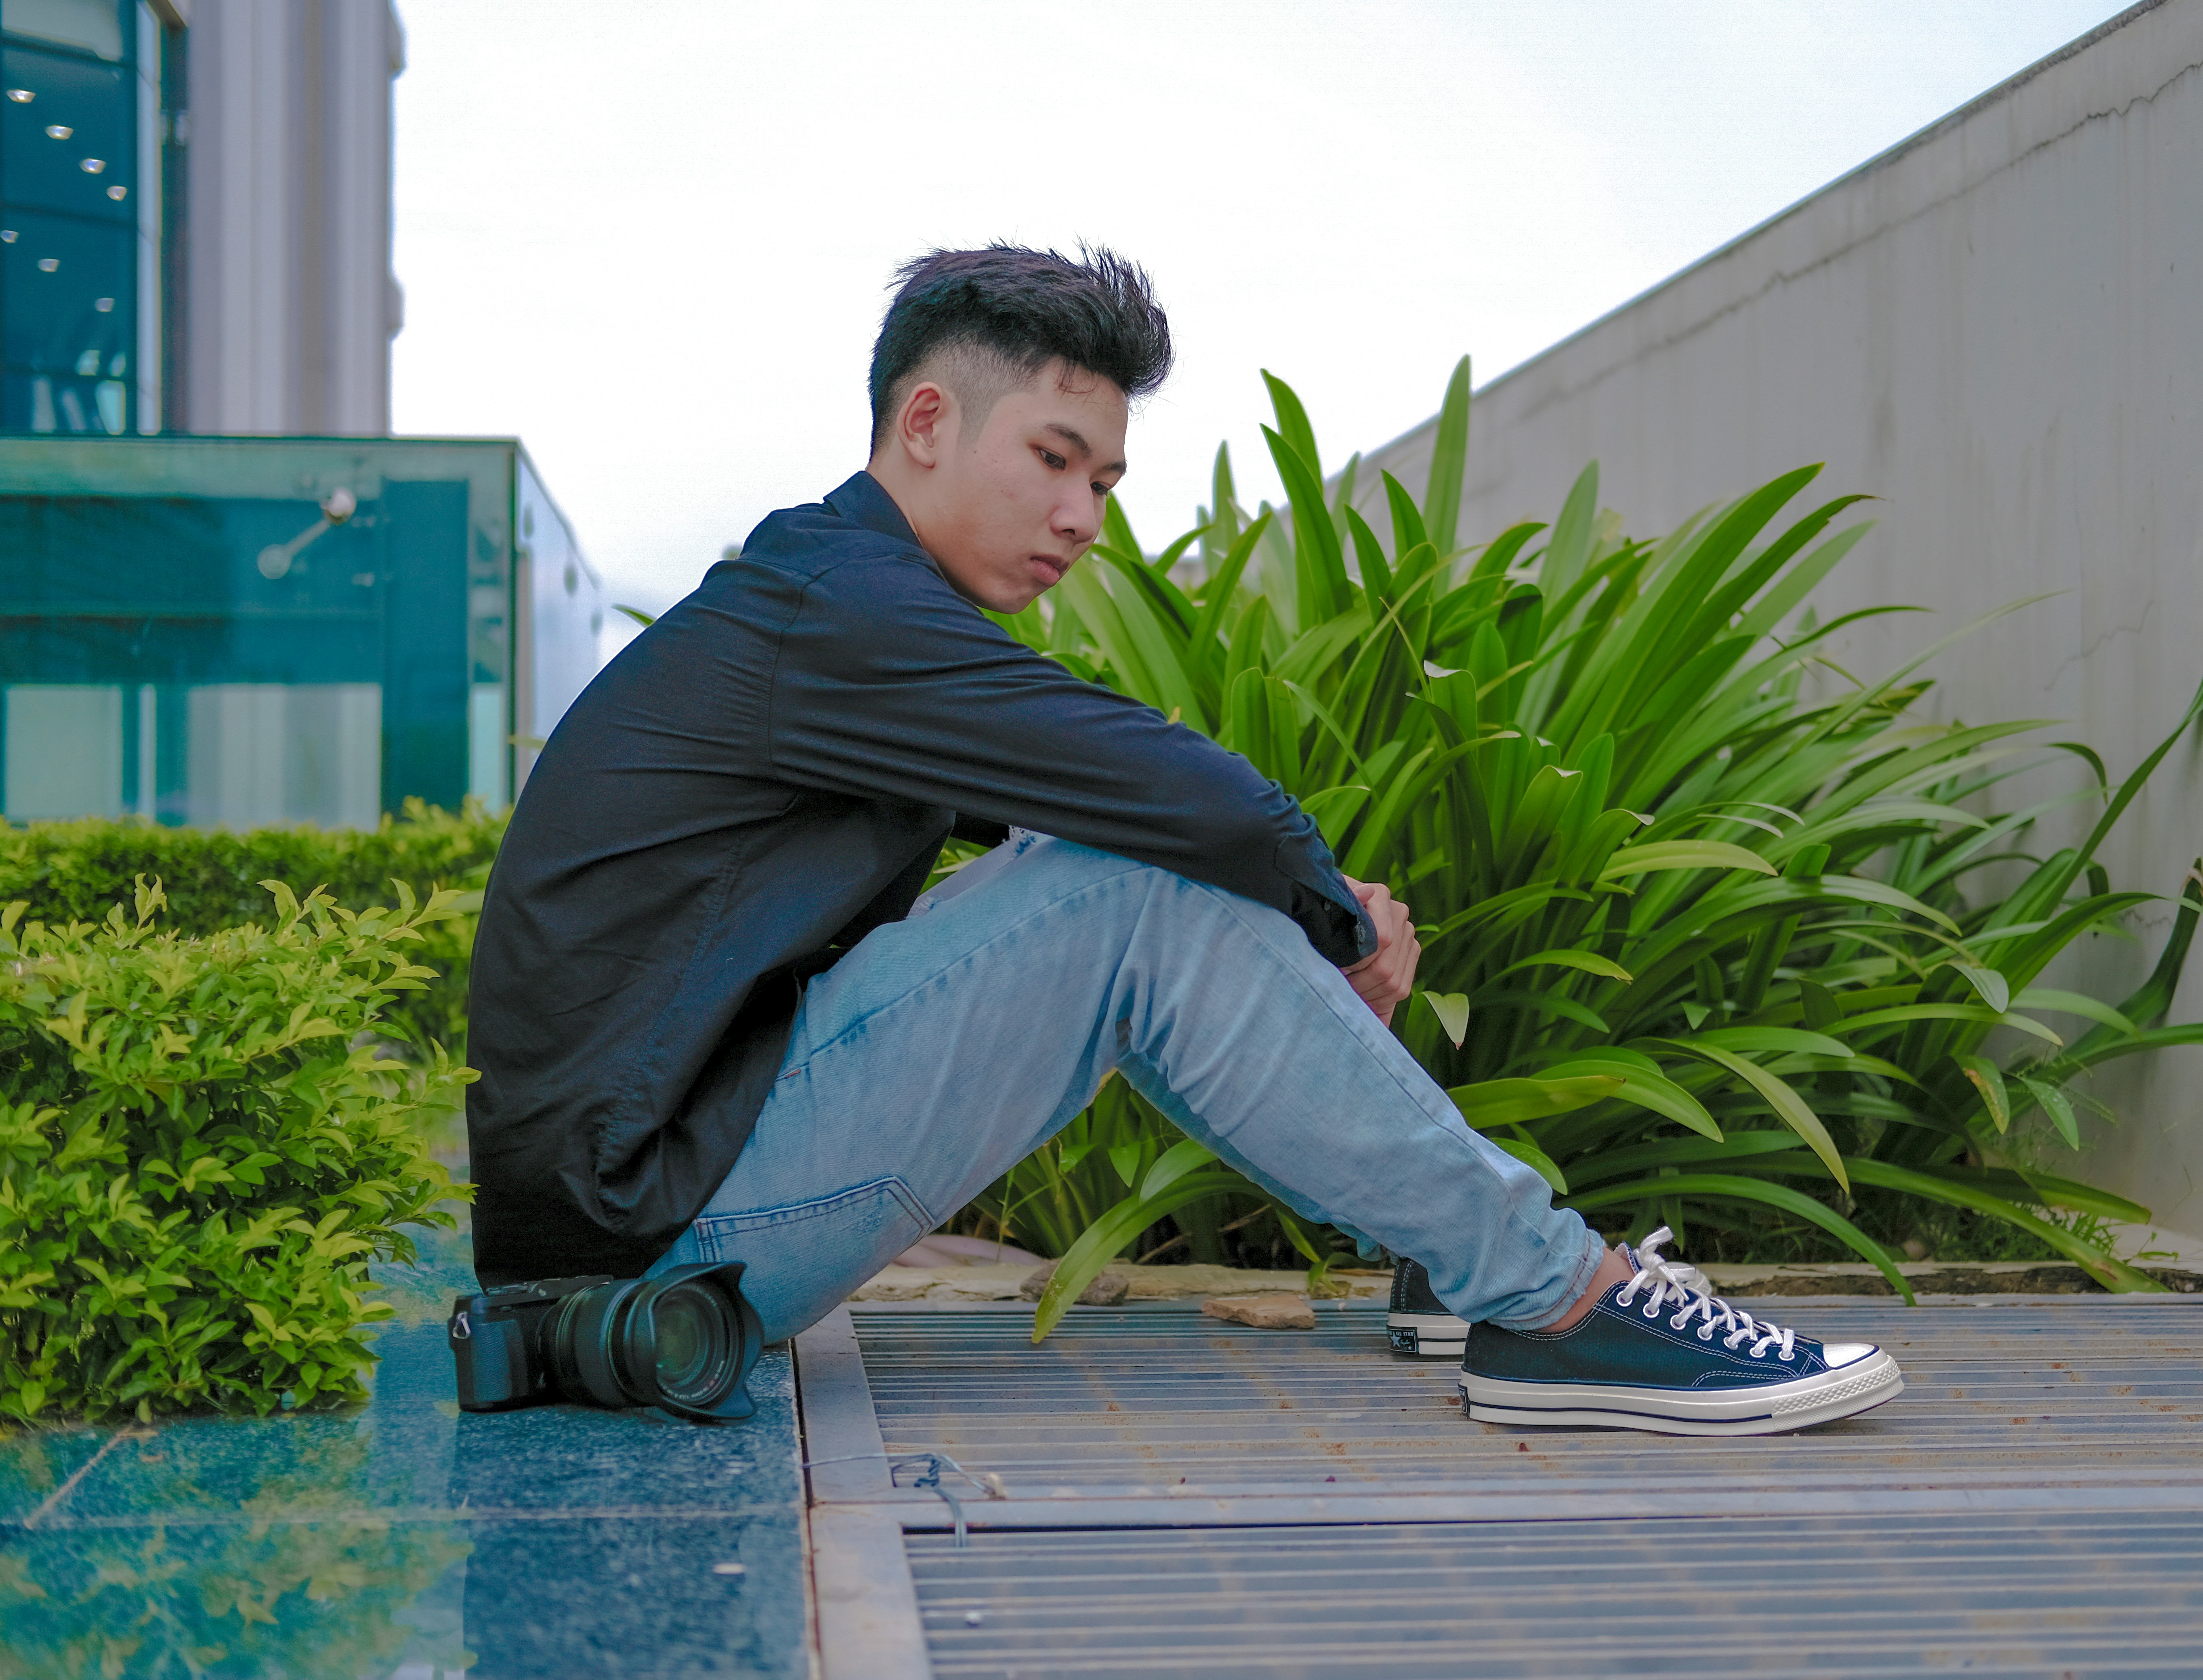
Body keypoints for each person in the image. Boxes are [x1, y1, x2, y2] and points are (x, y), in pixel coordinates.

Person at [464, 244, 1901, 1435]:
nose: (1084, 518)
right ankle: (1557, 1295)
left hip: (661, 1204)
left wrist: (1283, 900)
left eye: (1107, 483)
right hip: (648, 1244)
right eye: (1056, 458)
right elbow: (1173, 797)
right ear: (923, 425)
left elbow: (1098, 805)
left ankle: (1476, 1267)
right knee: (1134, 895)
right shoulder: (840, 611)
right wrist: (1339, 919)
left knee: (1139, 882)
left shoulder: (835, 613)